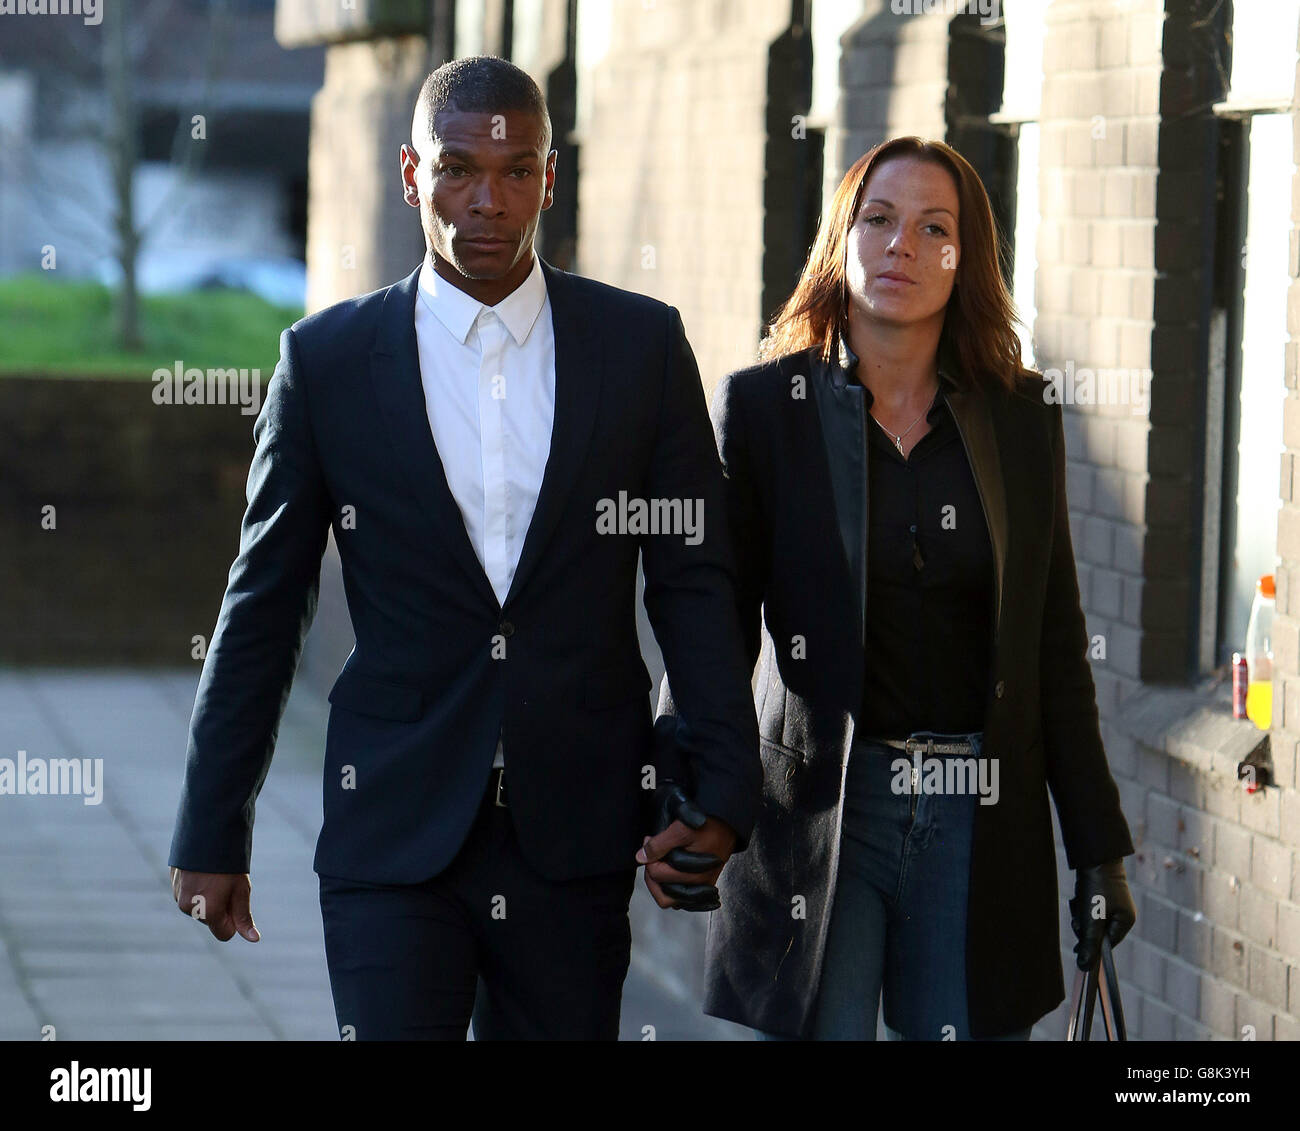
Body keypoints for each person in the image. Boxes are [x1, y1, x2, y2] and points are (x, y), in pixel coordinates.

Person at [167, 54, 760, 1041]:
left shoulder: (640, 348)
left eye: (515, 170)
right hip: (391, 826)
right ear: (411, 175)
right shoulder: (325, 364)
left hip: (574, 830)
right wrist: (210, 821)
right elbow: (264, 605)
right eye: (456, 169)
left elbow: (694, 581)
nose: (486, 200)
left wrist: (722, 787)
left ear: (547, 180)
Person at [654, 136, 1136, 1041]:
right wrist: (689, 790)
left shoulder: (1020, 421)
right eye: (877, 220)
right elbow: (712, 628)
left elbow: (1054, 648)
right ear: (842, 239)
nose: (901, 246)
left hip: (978, 816)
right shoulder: (766, 412)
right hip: (822, 810)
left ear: (967, 259)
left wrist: (1099, 849)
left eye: (933, 228)